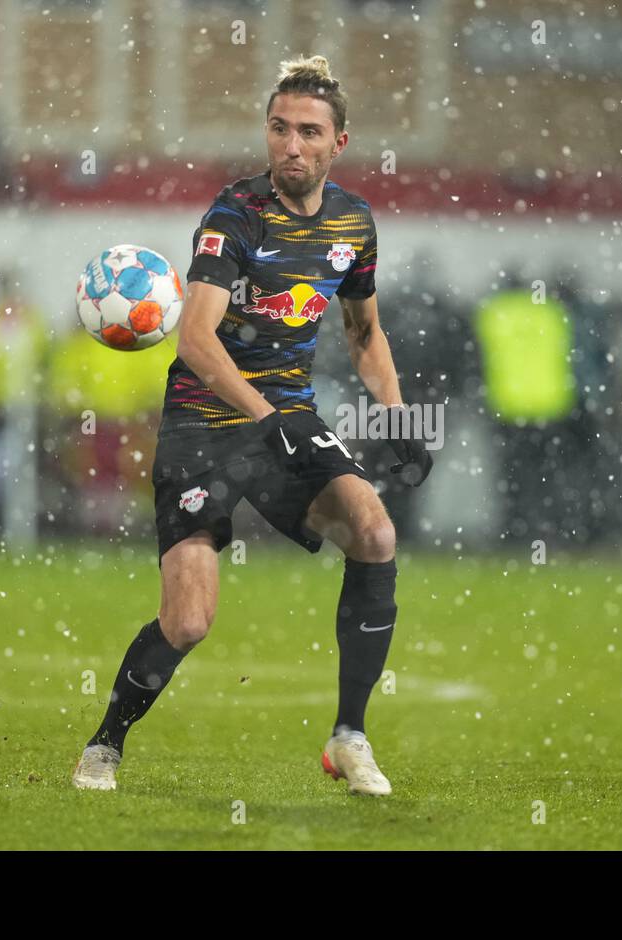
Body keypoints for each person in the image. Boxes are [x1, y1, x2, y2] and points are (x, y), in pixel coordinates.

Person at [71, 54, 433, 795]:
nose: (291, 146)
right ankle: (105, 744)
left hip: (286, 418)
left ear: (340, 142)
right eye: (279, 129)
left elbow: (365, 335)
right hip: (203, 425)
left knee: (375, 530)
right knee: (190, 621)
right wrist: (271, 419)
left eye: (307, 132)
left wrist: (396, 414)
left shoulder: (353, 225)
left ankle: (350, 737)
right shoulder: (234, 218)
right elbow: (196, 342)